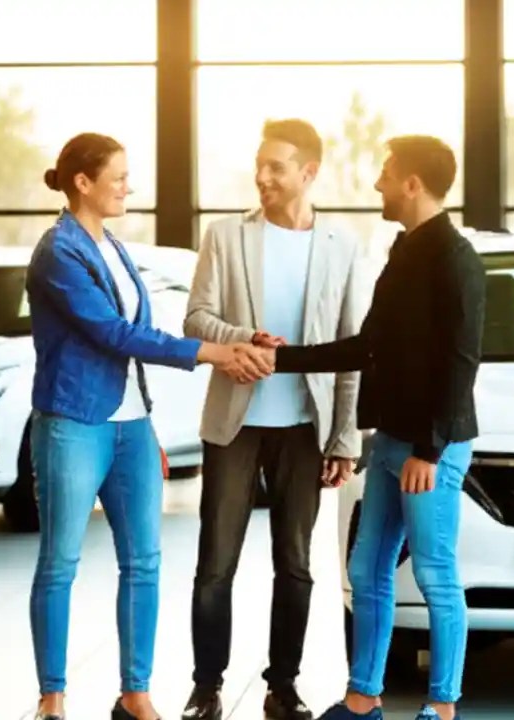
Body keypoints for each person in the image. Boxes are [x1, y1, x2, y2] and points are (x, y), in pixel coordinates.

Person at [24, 132, 271, 720]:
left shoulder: (112, 244)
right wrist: (210, 353)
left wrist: (152, 428)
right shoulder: (58, 252)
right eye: (118, 177)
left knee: (144, 561)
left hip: (131, 425)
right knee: (60, 561)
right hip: (74, 422)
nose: (128, 186)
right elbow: (113, 333)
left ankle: (135, 694)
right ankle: (52, 698)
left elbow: (139, 335)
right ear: (82, 182)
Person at [249, 135, 485, 720]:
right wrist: (282, 358)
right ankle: (362, 699)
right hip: (391, 442)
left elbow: (461, 361)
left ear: (411, 184)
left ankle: (443, 705)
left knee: (433, 573)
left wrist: (430, 450)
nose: (377, 183)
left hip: (432, 447)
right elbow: (368, 344)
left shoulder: (457, 258)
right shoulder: (401, 253)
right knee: (365, 568)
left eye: (385, 174)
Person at [180, 119, 369, 720]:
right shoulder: (226, 236)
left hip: (304, 430)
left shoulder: (342, 245)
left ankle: (281, 686)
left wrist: (343, 438)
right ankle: (206, 685)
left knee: (296, 564)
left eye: (276, 167)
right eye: (259, 165)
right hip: (234, 424)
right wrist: (244, 339)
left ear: (308, 173)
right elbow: (196, 317)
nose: (261, 177)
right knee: (216, 562)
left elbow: (352, 350)